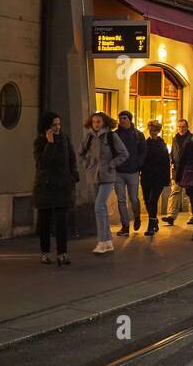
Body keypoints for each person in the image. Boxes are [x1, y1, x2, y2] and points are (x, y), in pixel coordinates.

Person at [33, 111, 79, 266]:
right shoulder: (40, 142)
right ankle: (45, 253)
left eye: (59, 124)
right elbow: (42, 164)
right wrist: (50, 143)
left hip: (62, 186)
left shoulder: (65, 139)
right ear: (47, 126)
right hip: (45, 187)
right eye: (54, 125)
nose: (57, 127)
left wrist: (73, 177)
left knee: (62, 222)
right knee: (45, 222)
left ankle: (62, 252)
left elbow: (72, 159)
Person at [80, 112, 128, 254]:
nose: (96, 124)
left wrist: (112, 164)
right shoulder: (88, 137)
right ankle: (108, 241)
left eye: (99, 122)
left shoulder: (112, 136)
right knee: (101, 209)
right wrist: (86, 164)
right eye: (94, 122)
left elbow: (124, 153)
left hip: (108, 176)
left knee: (99, 206)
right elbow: (80, 152)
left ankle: (102, 241)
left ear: (104, 123)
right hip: (93, 176)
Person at [112, 110, 147, 236]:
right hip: (118, 172)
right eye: (120, 118)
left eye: (124, 118)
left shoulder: (138, 135)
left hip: (132, 172)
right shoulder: (115, 135)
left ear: (130, 119)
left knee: (134, 198)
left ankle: (137, 217)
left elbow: (143, 151)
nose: (122, 120)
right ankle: (125, 225)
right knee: (121, 199)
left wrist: (138, 163)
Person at [139, 120, 170, 237]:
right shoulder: (145, 144)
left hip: (159, 178)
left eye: (156, 130)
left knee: (153, 200)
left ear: (158, 131)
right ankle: (154, 220)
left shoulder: (162, 145)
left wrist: (167, 179)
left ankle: (151, 226)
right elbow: (141, 159)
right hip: (146, 176)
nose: (153, 132)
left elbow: (166, 162)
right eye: (152, 130)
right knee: (147, 201)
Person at [161, 118, 191, 226]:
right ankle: (171, 216)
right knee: (175, 192)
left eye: (183, 126)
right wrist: (171, 161)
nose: (181, 129)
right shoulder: (175, 138)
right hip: (177, 170)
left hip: (188, 170)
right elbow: (173, 152)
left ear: (187, 127)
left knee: (190, 194)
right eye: (179, 127)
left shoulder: (191, 138)